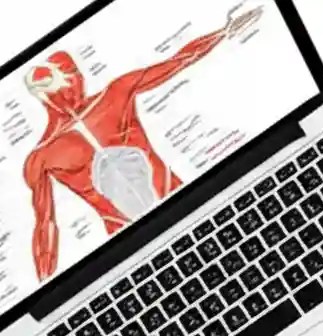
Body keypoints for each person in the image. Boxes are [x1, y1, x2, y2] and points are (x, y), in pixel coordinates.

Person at [22, 7, 262, 280]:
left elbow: (177, 62)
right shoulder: (41, 157)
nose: (81, 80)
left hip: (187, 209)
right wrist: (46, 286)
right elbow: (45, 226)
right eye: (73, 74)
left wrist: (223, 32)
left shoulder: (114, 94)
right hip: (138, 249)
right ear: (61, 84)